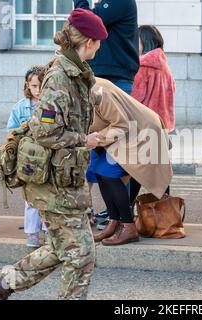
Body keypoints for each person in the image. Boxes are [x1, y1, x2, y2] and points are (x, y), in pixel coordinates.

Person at [0, 8, 108, 300]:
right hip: (53, 183)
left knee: (64, 249)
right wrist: (85, 140)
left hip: (65, 179)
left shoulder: (77, 73)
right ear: (88, 42)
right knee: (81, 254)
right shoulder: (60, 77)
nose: (100, 47)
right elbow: (44, 132)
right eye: (99, 42)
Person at [74, 0, 139, 228]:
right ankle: (111, 214)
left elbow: (86, 22)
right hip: (98, 75)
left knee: (118, 154)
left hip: (116, 78)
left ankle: (124, 217)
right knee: (98, 154)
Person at [90, 77, 173, 246]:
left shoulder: (97, 90)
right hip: (127, 131)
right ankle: (115, 221)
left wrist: (96, 139)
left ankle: (128, 227)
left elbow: (121, 124)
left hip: (142, 131)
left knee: (108, 173)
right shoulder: (84, 88)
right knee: (99, 170)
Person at [6, 65, 48, 248]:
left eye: (42, 86)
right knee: (30, 197)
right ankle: (32, 233)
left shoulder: (51, 106)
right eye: (34, 86)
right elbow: (10, 132)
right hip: (27, 160)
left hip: (46, 159)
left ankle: (48, 232)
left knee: (47, 196)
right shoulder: (19, 108)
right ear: (27, 85)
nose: (38, 91)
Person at [132, 25, 176, 133]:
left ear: (144, 42)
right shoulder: (165, 68)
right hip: (163, 126)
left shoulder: (142, 67)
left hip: (144, 125)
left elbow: (134, 99)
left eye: (136, 40)